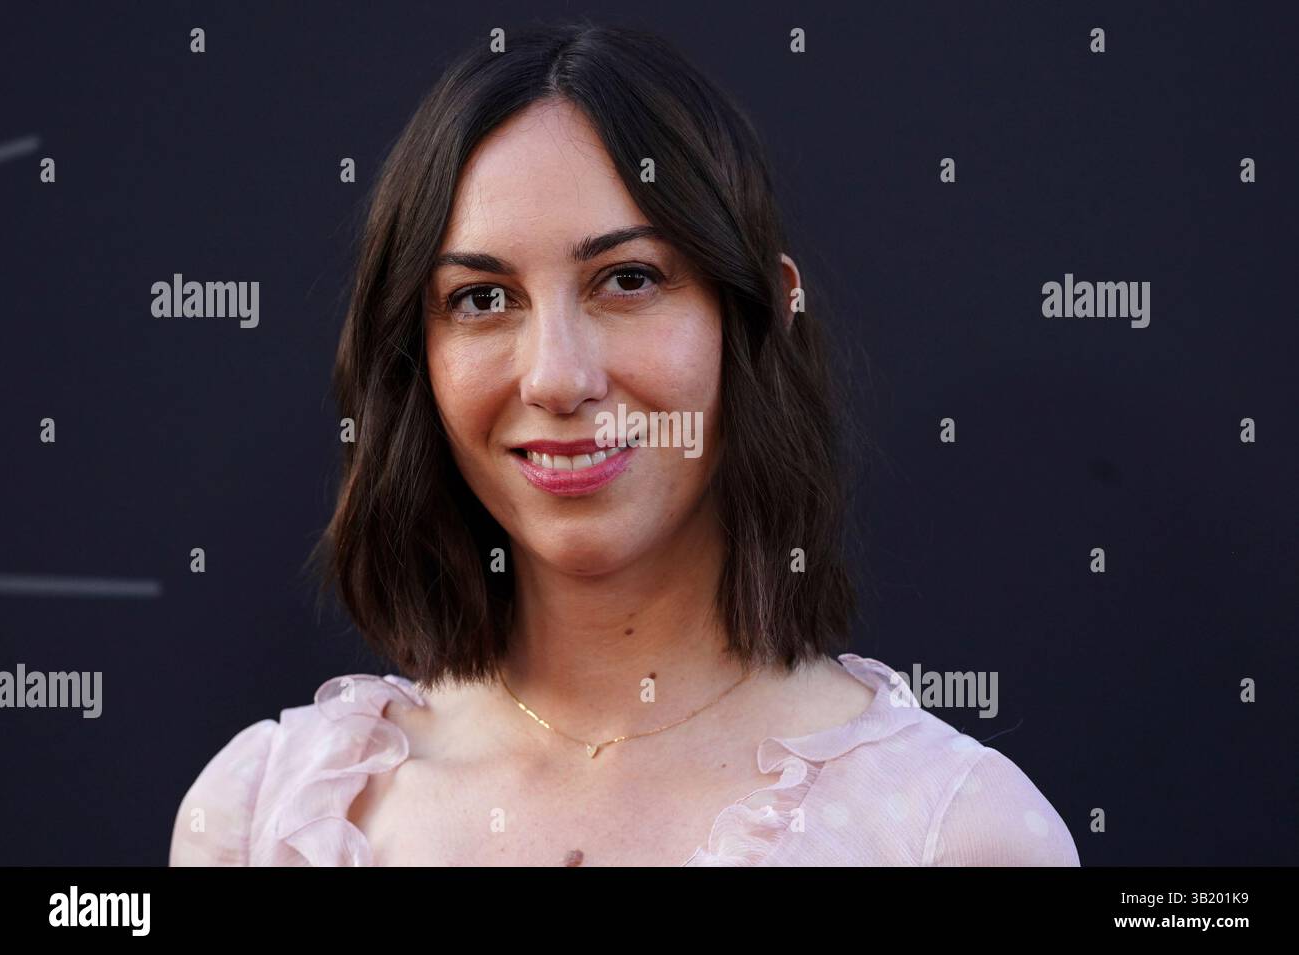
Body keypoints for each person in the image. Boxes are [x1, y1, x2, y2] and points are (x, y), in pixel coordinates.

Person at [169, 21, 1079, 867]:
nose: (557, 378)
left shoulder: (954, 833)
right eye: (483, 299)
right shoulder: (266, 818)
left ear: (760, 314)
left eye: (628, 279)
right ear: (419, 356)